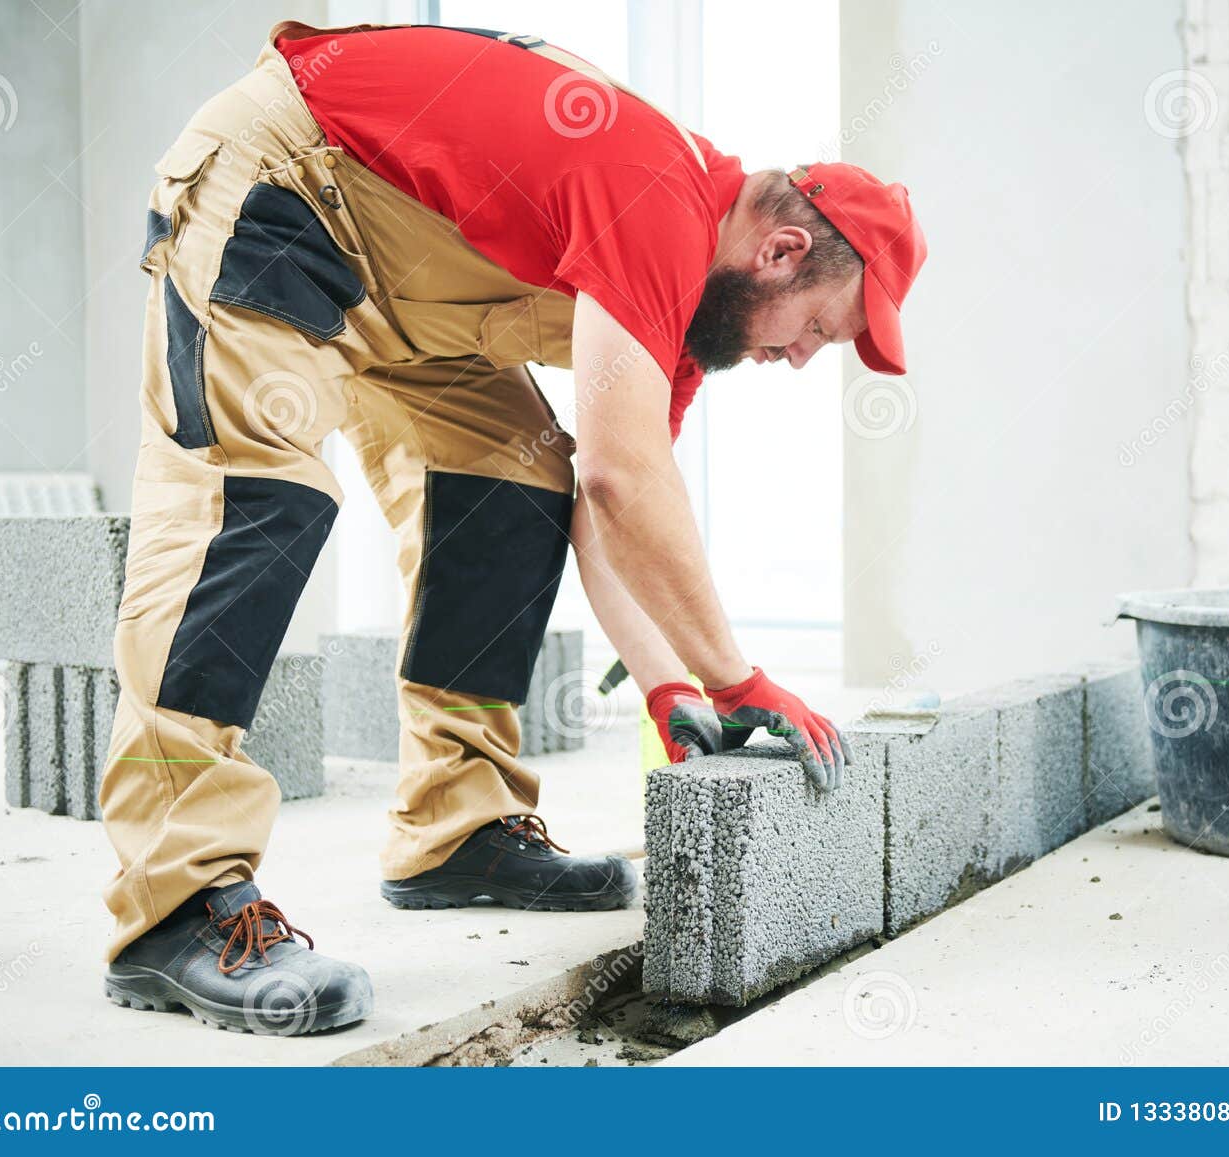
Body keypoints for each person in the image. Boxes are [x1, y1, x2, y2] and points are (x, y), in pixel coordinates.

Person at [100, 21, 926, 1036]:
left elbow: (606, 499)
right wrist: (737, 678)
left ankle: (456, 826)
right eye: (816, 330)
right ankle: (174, 902)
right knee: (255, 496)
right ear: (782, 250)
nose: (799, 358)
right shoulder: (653, 193)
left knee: (518, 478)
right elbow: (629, 480)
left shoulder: (674, 310)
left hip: (409, 298)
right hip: (281, 192)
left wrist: (671, 683)